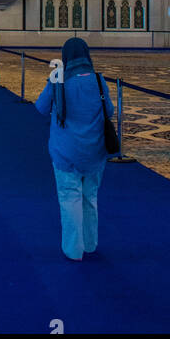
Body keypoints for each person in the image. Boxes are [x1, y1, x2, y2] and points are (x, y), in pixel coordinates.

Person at [34, 37, 114, 263]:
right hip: (95, 152)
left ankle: (73, 249)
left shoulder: (60, 81)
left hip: (66, 153)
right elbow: (109, 111)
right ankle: (90, 244)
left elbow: (40, 108)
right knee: (90, 197)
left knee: (70, 198)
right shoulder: (98, 81)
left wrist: (51, 82)